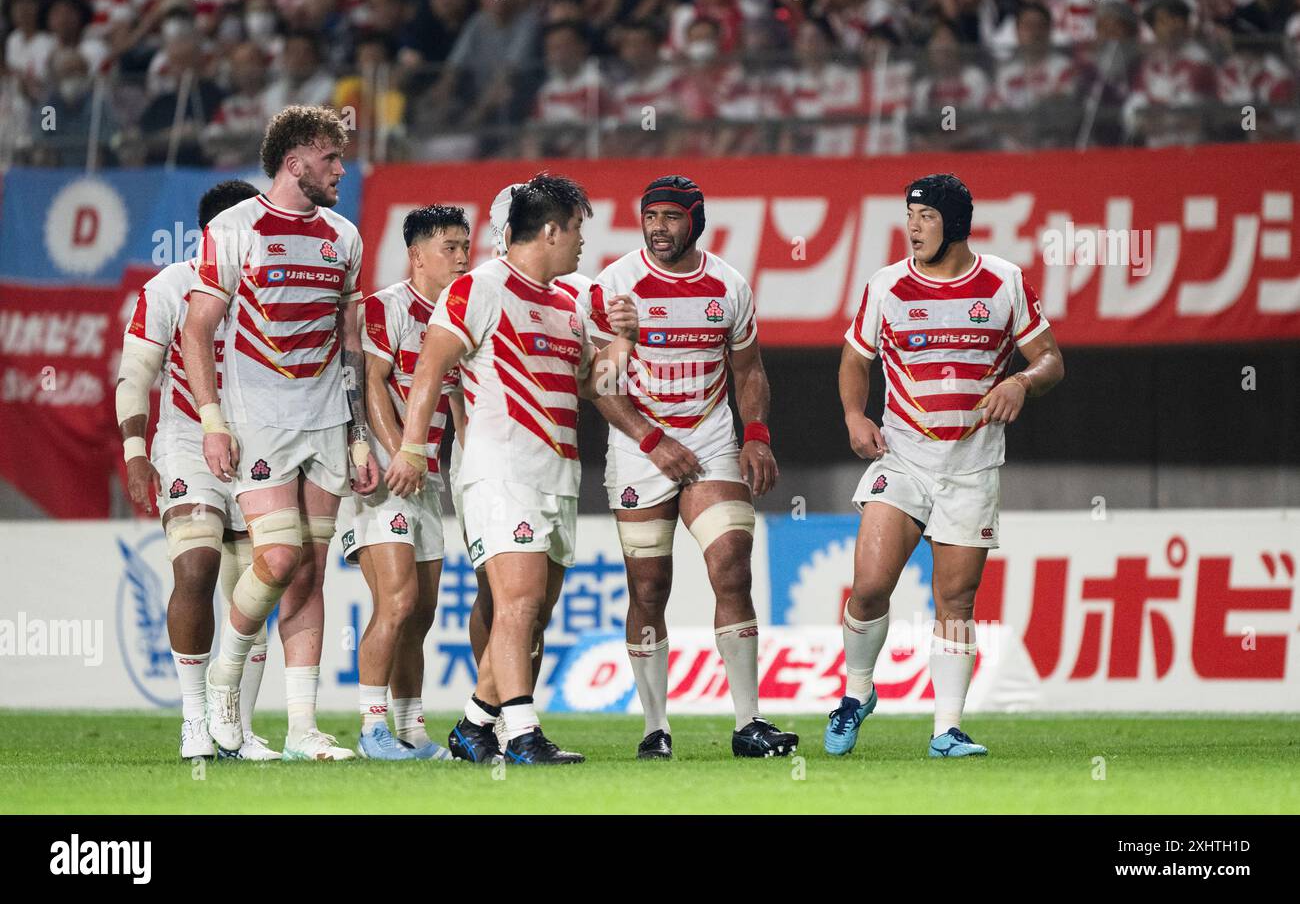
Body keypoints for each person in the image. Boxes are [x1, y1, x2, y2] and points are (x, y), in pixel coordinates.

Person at [385, 173, 639, 764]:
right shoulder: (479, 288)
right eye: (577, 229)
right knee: (517, 603)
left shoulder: (572, 299)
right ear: (550, 229)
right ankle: (523, 735)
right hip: (499, 470)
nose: (582, 241)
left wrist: (621, 344)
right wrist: (413, 447)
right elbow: (430, 369)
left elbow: (591, 386)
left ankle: (475, 725)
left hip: (558, 473)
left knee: (535, 616)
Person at [828, 173, 1064, 759]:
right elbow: (856, 359)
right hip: (903, 458)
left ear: (955, 224)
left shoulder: (1004, 281)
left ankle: (946, 730)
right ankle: (857, 694)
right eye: (910, 215)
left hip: (972, 466)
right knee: (869, 586)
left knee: (956, 601)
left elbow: (1051, 361)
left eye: (926, 217)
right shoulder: (886, 285)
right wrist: (856, 416)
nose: (913, 227)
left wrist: (1021, 381)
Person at [181, 105, 379, 761]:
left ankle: (301, 729)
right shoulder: (235, 229)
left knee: (309, 574)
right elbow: (197, 328)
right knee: (275, 559)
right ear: (296, 163)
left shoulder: (344, 236)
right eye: (330, 159)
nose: (340, 170)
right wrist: (212, 422)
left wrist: (357, 436)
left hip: (326, 422)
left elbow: (349, 340)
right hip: (258, 422)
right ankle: (223, 684)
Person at [586, 175, 795, 760]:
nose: (658, 227)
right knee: (648, 587)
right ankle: (656, 728)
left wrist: (756, 437)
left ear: (695, 221)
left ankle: (749, 722)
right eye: (651, 216)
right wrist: (653, 440)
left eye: (672, 217)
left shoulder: (728, 284)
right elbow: (600, 384)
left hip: (710, 438)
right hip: (637, 447)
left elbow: (749, 370)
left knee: (731, 565)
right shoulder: (615, 284)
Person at [116, 179, 278, 761]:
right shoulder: (171, 286)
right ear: (216, 232)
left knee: (254, 591)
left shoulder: (272, 289)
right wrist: (136, 452)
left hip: (261, 449)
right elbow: (136, 373)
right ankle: (193, 721)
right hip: (187, 443)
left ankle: (238, 727)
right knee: (197, 566)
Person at [343, 205, 470, 760]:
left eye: (466, 246)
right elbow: (369, 382)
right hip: (385, 474)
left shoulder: (460, 319)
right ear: (417, 255)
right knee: (394, 603)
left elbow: (461, 403)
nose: (463, 256)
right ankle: (372, 730)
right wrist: (402, 454)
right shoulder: (386, 306)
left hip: (425, 480)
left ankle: (411, 729)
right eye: (450, 246)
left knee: (419, 613)